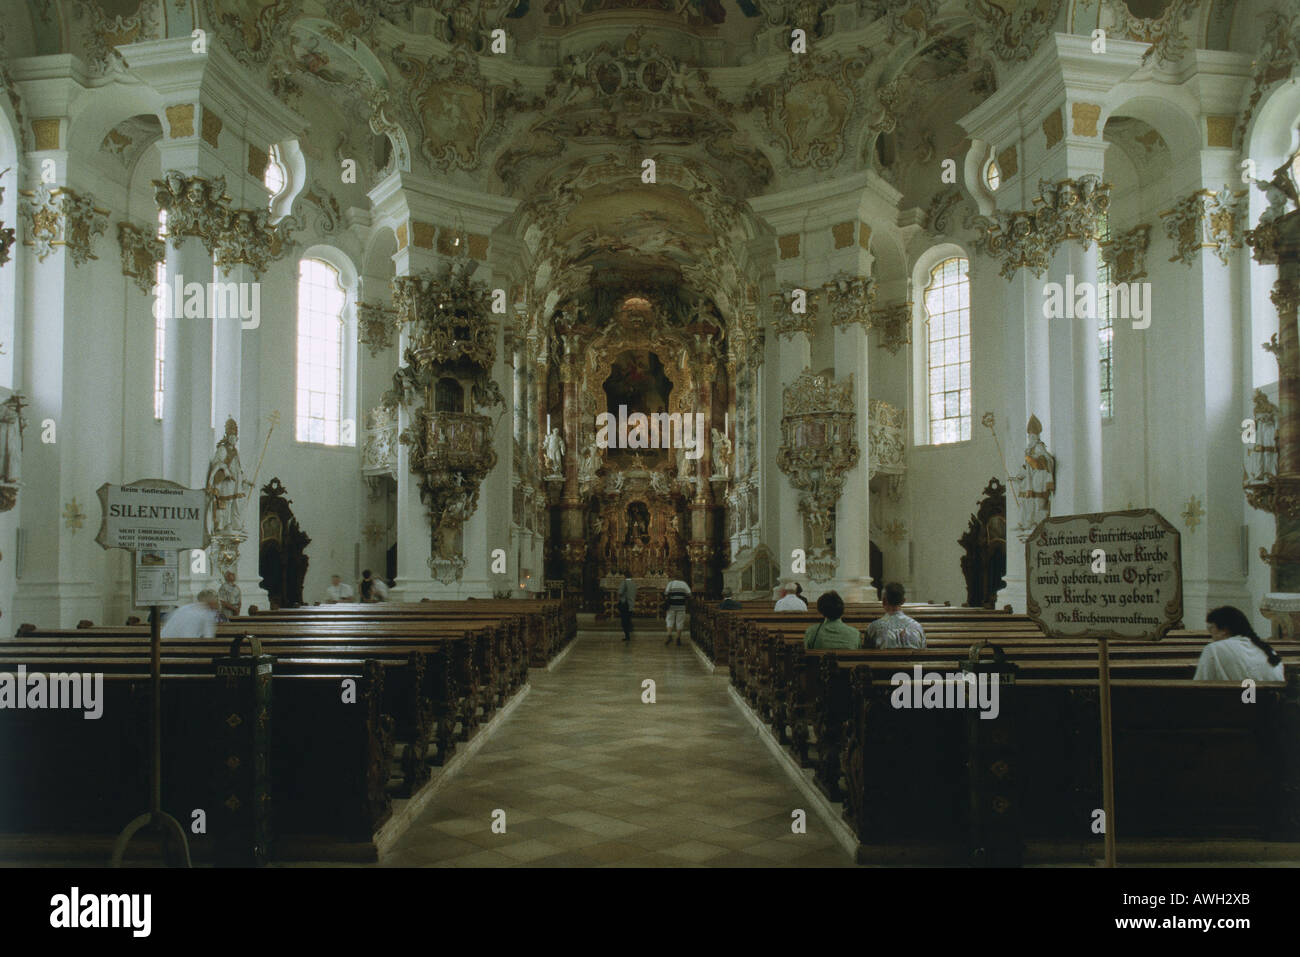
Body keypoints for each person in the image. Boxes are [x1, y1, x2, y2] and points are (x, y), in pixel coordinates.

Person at [1194, 606, 1284, 682]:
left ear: (1224, 630)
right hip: (1270, 702)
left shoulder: (1213, 649)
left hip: (1235, 702)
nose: (1210, 633)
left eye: (1211, 628)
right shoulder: (1268, 650)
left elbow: (1200, 685)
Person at [867, 582, 926, 649]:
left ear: (884, 601)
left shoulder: (873, 628)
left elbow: (867, 654)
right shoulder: (917, 627)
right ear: (903, 601)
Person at [663, 577, 691, 646]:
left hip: (671, 606)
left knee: (669, 620)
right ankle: (678, 638)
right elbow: (689, 594)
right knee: (680, 621)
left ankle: (669, 635)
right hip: (681, 606)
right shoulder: (684, 584)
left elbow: (666, 593)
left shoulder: (671, 583)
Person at [617, 573, 637, 642]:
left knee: (624, 621)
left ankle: (627, 636)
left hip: (625, 604)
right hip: (631, 604)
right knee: (628, 619)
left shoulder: (624, 583)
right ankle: (629, 634)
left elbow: (620, 592)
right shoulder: (634, 584)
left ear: (624, 576)